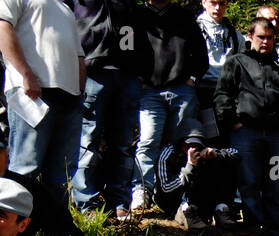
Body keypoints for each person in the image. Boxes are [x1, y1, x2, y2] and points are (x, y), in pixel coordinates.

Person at [0, 0, 84, 193]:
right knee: (25, 168)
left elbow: (78, 54)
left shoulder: (64, 6)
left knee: (61, 175)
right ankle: (17, 221)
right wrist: (26, 74)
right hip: (32, 93)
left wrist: (80, 92)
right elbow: (0, 26)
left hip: (70, 97)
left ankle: (55, 223)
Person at [214, 15, 279, 230]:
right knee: (249, 182)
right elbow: (222, 95)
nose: (266, 41)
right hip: (246, 133)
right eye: (261, 37)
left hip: (277, 138)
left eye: (270, 37)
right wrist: (233, 123)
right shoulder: (237, 62)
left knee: (275, 181)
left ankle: (275, 227)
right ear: (250, 37)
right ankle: (254, 226)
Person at [131, 0, 206, 213]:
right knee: (148, 141)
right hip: (150, 92)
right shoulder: (137, 15)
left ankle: (177, 195)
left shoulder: (184, 16)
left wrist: (192, 77)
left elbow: (201, 53)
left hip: (182, 90)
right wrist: (139, 78)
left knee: (180, 146)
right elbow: (128, 49)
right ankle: (142, 189)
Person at [71, 0, 141, 218]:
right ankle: (87, 203)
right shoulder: (78, 4)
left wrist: (141, 72)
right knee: (87, 139)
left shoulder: (130, 5)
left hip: (126, 76)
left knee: (122, 143)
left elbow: (143, 39)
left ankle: (119, 201)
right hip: (92, 74)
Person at [154, 124, 239, 229]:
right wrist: (189, 167)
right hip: (173, 201)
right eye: (188, 145)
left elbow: (236, 153)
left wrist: (217, 155)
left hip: (202, 196)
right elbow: (166, 189)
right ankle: (185, 211)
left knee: (222, 162)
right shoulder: (167, 155)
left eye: (196, 144)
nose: (192, 148)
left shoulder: (204, 150)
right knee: (188, 181)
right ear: (181, 143)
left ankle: (221, 209)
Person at [194, 0, 242, 139]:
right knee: (209, 134)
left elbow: (242, 58)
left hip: (227, 91)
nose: (217, 8)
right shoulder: (195, 28)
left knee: (226, 133)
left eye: (221, 3)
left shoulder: (232, 32)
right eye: (213, 3)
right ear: (203, 2)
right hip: (202, 89)